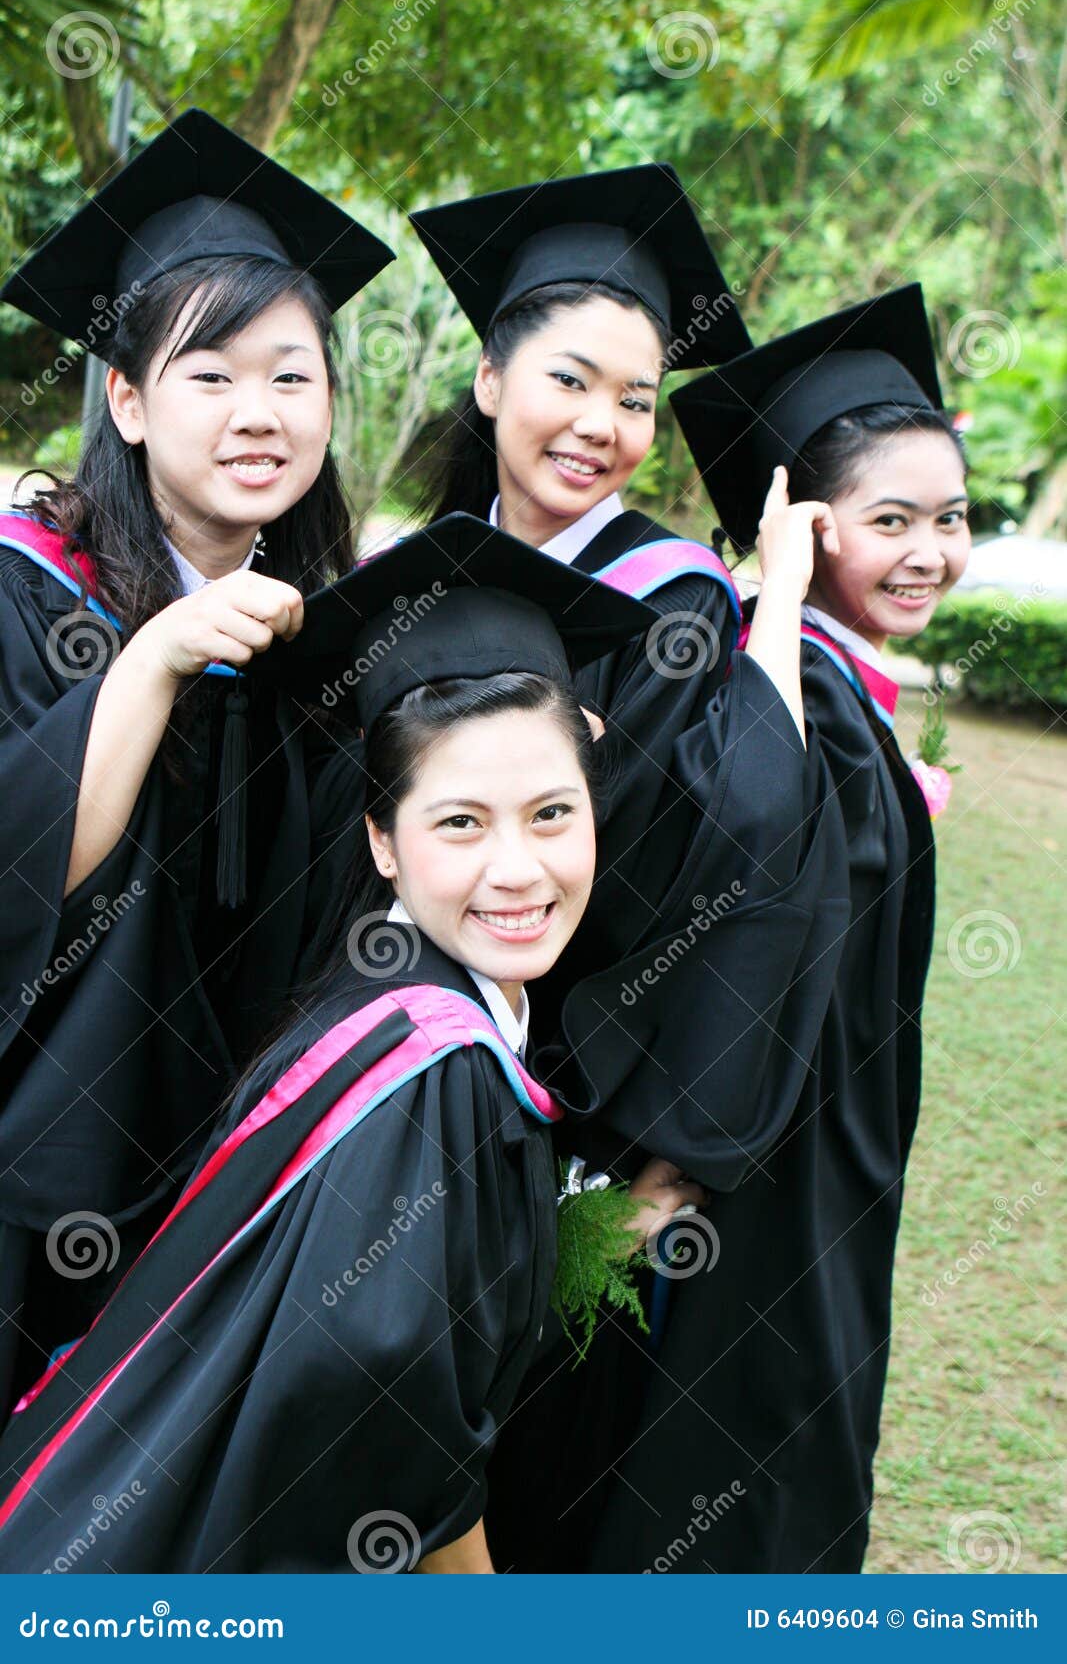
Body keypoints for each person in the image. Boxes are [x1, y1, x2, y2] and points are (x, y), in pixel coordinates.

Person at [0, 520, 702, 1573]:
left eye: (552, 812)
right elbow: (384, 1409)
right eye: (459, 823)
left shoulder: (382, 1005)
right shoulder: (431, 1070)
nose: (517, 869)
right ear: (381, 840)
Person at [407, 167, 852, 1568]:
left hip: (571, 1103)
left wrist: (653, 1158)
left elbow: (737, 849)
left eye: (634, 400)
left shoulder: (667, 597)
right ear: (487, 379)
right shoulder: (417, 569)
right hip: (402, 1075)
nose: (601, 426)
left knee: (523, 1466)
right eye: (569, 379)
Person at [0, 109, 393, 1417]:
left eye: (291, 376)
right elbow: (22, 870)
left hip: (237, 1190)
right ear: (125, 396)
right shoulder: (24, 593)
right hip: (41, 1180)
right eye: (209, 374)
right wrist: (156, 657)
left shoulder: (330, 636)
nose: (259, 412)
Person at [585, 284, 971, 1572]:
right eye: (889, 521)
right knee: (731, 1473)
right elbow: (747, 901)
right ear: (806, 526)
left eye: (950, 518)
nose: (927, 549)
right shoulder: (783, 672)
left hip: (821, 1144)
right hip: (757, 1160)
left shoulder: (829, 679)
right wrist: (685, 1158)